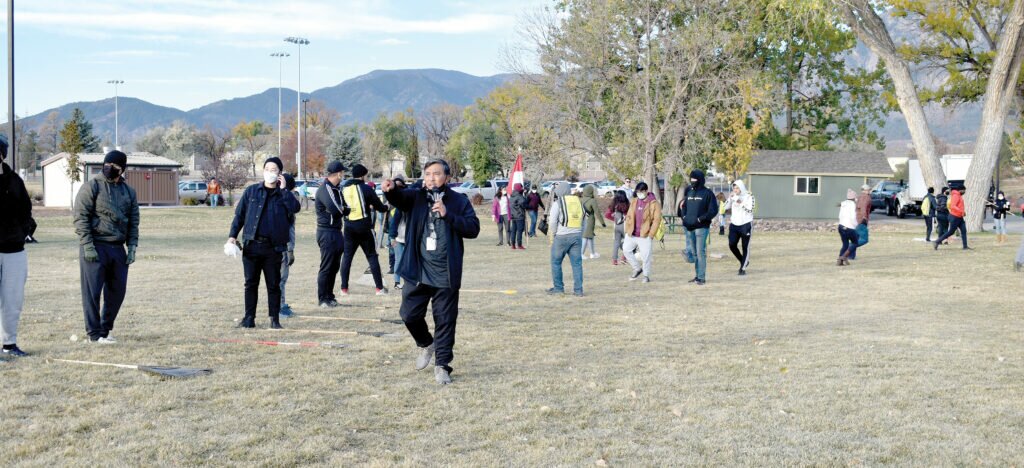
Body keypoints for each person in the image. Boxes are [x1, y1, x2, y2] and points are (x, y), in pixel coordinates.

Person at [383, 159, 480, 385]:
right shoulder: (416, 196)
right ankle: (427, 343)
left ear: (446, 176)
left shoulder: (458, 200)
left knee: (445, 320)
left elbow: (473, 228)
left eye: (436, 174)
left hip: (445, 273)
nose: (432, 178)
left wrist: (448, 215)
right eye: (428, 174)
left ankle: (442, 365)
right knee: (408, 314)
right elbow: (399, 197)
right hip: (417, 270)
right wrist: (389, 191)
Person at [73, 150, 140, 343]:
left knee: (117, 292)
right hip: (95, 246)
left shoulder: (129, 192)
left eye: (115, 166)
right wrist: (87, 245)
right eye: (107, 164)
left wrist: (132, 246)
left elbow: (133, 222)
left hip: (118, 248)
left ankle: (105, 330)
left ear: (122, 169)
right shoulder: (91, 187)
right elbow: (80, 217)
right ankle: (94, 335)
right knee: (92, 292)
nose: (109, 168)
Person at [227, 157, 301, 329]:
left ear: (280, 174)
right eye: (267, 168)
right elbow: (239, 216)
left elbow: (295, 208)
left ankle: (274, 319)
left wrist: (284, 191)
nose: (269, 172)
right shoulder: (252, 191)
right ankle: (249, 318)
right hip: (252, 245)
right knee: (250, 283)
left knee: (273, 285)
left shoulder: (284, 195)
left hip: (274, 247)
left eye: (274, 169)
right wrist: (232, 236)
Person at [0, 135, 33, 356]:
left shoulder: (14, 181)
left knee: (13, 301)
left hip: (14, 250)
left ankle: (9, 344)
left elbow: (26, 210)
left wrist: (23, 232)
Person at [337, 164, 389, 296]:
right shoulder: (366, 188)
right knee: (372, 256)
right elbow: (379, 206)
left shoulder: (344, 188)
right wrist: (386, 207)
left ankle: (344, 289)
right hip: (364, 226)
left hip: (349, 227)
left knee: (347, 257)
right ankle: (379, 288)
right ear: (362, 175)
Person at [314, 161, 348, 308]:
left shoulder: (337, 189)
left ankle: (330, 296)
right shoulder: (325, 188)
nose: (344, 175)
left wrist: (342, 209)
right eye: (343, 172)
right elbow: (336, 209)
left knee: (334, 267)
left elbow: (346, 208)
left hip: (336, 231)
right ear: (339, 173)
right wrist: (341, 209)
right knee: (326, 266)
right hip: (326, 232)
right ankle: (322, 298)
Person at [546, 182, 585, 296]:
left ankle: (559, 288)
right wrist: (580, 232)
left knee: (556, 262)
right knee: (577, 264)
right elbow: (584, 219)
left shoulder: (558, 203)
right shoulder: (578, 202)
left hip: (562, 236)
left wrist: (553, 233)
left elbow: (552, 221)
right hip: (577, 236)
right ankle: (578, 290)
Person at [679, 170, 717, 285]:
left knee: (701, 252)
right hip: (689, 226)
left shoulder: (708, 193)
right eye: (691, 179)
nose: (692, 181)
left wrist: (701, 219)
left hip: (701, 227)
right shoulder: (689, 191)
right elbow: (683, 205)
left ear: (700, 180)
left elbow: (713, 210)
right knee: (694, 253)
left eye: (695, 179)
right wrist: (684, 217)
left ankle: (701, 277)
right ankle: (697, 275)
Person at [624, 182, 663, 283]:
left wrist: (651, 234)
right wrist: (627, 228)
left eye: (641, 192)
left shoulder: (654, 203)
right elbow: (629, 215)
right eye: (637, 192)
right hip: (632, 233)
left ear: (646, 191)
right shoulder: (634, 201)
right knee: (626, 250)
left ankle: (646, 275)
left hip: (645, 235)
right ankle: (637, 268)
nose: (639, 193)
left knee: (646, 257)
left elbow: (656, 220)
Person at [278, 173, 298, 318]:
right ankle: (280, 307)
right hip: (282, 246)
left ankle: (280, 305)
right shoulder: (287, 203)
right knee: (281, 278)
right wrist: (290, 249)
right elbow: (289, 229)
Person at [724, 180, 754, 275]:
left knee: (745, 247)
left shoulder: (749, 197)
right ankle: (743, 260)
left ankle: (743, 268)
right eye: (734, 188)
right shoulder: (733, 197)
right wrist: (729, 199)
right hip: (734, 224)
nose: (735, 190)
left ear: (741, 188)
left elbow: (749, 210)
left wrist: (738, 200)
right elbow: (725, 208)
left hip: (746, 224)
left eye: (737, 188)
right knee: (732, 245)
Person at [388, 177, 409, 290]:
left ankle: (409, 282)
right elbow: (393, 222)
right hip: (399, 237)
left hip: (410, 238)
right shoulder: (396, 206)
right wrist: (392, 237)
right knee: (399, 260)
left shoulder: (410, 201)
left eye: (400, 187)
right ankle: (397, 282)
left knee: (409, 261)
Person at [579, 184, 606, 259]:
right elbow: (597, 213)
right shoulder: (592, 200)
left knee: (590, 237)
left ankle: (592, 253)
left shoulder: (581, 200)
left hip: (583, 220)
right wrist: (602, 223)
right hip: (590, 220)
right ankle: (581, 254)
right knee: (585, 237)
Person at [837, 189, 860, 266]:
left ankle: (840, 259)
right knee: (855, 243)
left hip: (841, 226)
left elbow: (840, 216)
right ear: (854, 198)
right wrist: (856, 225)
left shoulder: (843, 204)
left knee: (845, 244)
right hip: (850, 227)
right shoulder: (853, 205)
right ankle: (843, 257)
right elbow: (853, 217)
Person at [607, 190, 630, 266]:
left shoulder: (613, 204)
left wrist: (615, 219)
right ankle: (624, 258)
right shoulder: (627, 204)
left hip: (616, 226)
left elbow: (607, 215)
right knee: (627, 242)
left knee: (616, 243)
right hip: (625, 225)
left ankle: (614, 260)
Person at [509, 183, 528, 250]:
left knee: (513, 231)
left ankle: (513, 245)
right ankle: (519, 245)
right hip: (519, 216)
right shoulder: (519, 196)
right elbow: (524, 203)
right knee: (519, 231)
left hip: (513, 216)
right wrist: (525, 195)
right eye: (521, 188)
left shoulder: (512, 196)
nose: (522, 189)